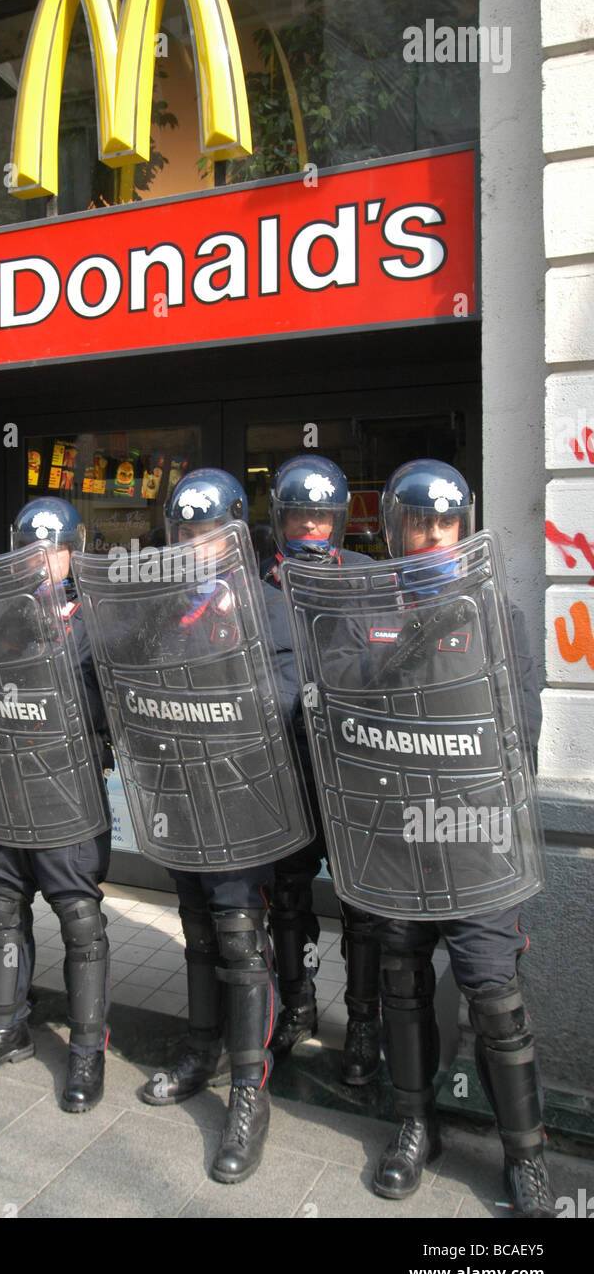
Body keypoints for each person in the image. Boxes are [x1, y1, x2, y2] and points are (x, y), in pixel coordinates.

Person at [364, 461, 555, 1217]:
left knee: (494, 995)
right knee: (402, 981)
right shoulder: (364, 610)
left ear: (463, 526)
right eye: (419, 525)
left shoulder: (495, 612)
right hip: (396, 836)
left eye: (445, 525)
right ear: (395, 530)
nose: (433, 538)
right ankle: (415, 1127)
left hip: (473, 832)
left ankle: (527, 1154)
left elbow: (523, 725)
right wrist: (407, 646)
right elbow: (347, 698)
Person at [134, 469, 306, 1183]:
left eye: (209, 532)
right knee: (199, 932)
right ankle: (200, 1047)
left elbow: (289, 695)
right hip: (181, 797)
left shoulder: (271, 606)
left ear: (237, 532)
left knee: (242, 944)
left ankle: (247, 1091)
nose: (197, 544)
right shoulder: (158, 608)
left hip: (241, 802)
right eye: (185, 532)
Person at [0, 498, 113, 1114]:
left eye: (55, 550)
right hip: (4, 787)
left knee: (78, 919)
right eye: (30, 550)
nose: (42, 562)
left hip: (66, 792)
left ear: (73, 553)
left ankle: (87, 1049)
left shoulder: (95, 616)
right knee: (2, 906)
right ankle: (4, 1025)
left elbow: (111, 708)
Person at [264, 456, 382, 1085]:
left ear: (338, 520)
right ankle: (298, 1005)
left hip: (353, 771)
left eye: (321, 515)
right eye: (298, 514)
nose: (310, 527)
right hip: (285, 770)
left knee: (360, 903)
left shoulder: (368, 579)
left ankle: (363, 1022)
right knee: (287, 899)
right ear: (279, 517)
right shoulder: (258, 586)